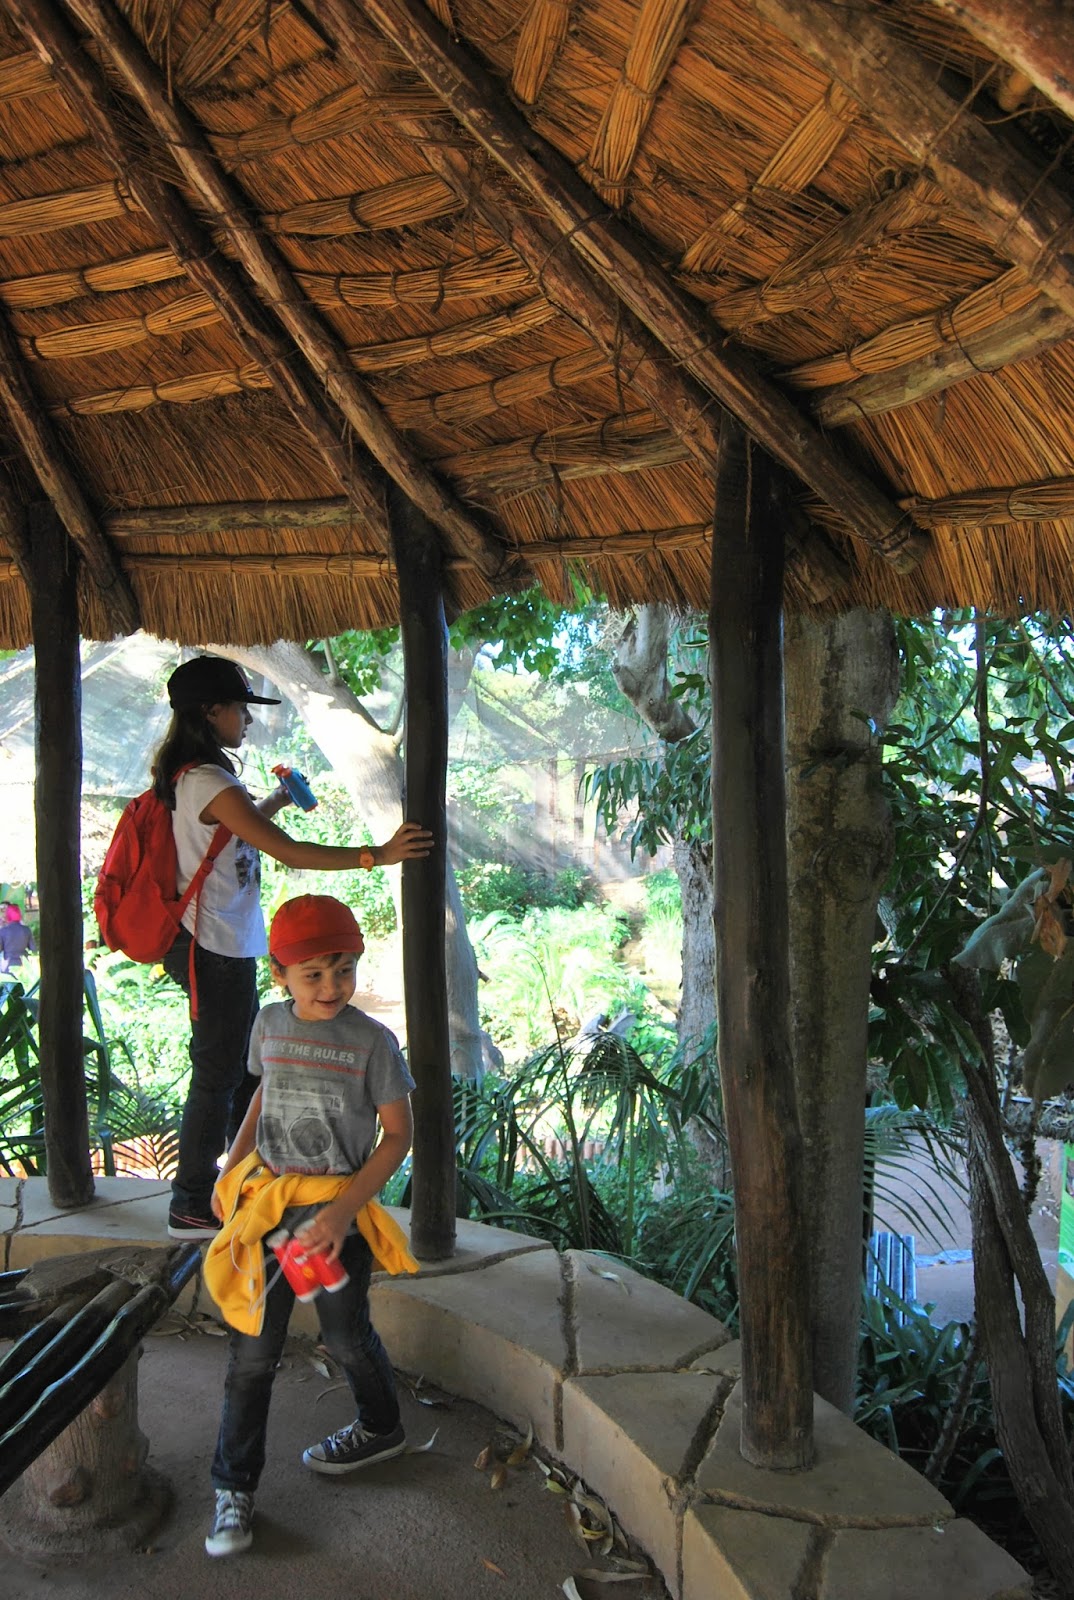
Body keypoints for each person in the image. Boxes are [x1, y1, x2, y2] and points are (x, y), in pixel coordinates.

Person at [155, 654, 431, 1240]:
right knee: (219, 1072)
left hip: (219, 943)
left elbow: (232, 834)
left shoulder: (199, 777)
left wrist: (276, 801)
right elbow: (288, 852)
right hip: (212, 945)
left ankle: (241, 1181)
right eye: (240, 710)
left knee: (236, 1070)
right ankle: (191, 1202)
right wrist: (376, 855)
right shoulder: (207, 778)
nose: (247, 722)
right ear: (212, 712)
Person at [201, 893, 417, 1559]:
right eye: (315, 973)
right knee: (251, 1357)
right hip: (267, 1212)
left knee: (347, 1339)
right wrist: (231, 1165)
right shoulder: (267, 1025)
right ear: (281, 974)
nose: (333, 986)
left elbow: (398, 1136)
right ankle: (233, 1489)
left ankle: (382, 1427)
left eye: (344, 969)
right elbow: (265, 1090)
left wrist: (341, 1213)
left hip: (336, 1224)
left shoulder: (372, 1043)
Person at [0, 903, 34, 973]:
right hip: (24, 967)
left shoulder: (3, 931)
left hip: (7, 967)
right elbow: (33, 949)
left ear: (8, 915)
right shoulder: (26, 930)